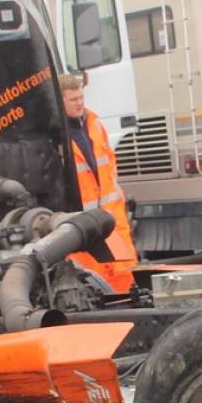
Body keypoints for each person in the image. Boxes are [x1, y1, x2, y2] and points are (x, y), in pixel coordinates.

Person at [59, 74, 137, 292]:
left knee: (124, 279)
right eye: (73, 99)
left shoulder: (94, 125)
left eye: (81, 97)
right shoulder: (58, 136)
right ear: (60, 101)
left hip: (110, 218)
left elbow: (110, 162)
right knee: (94, 283)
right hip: (84, 225)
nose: (79, 103)